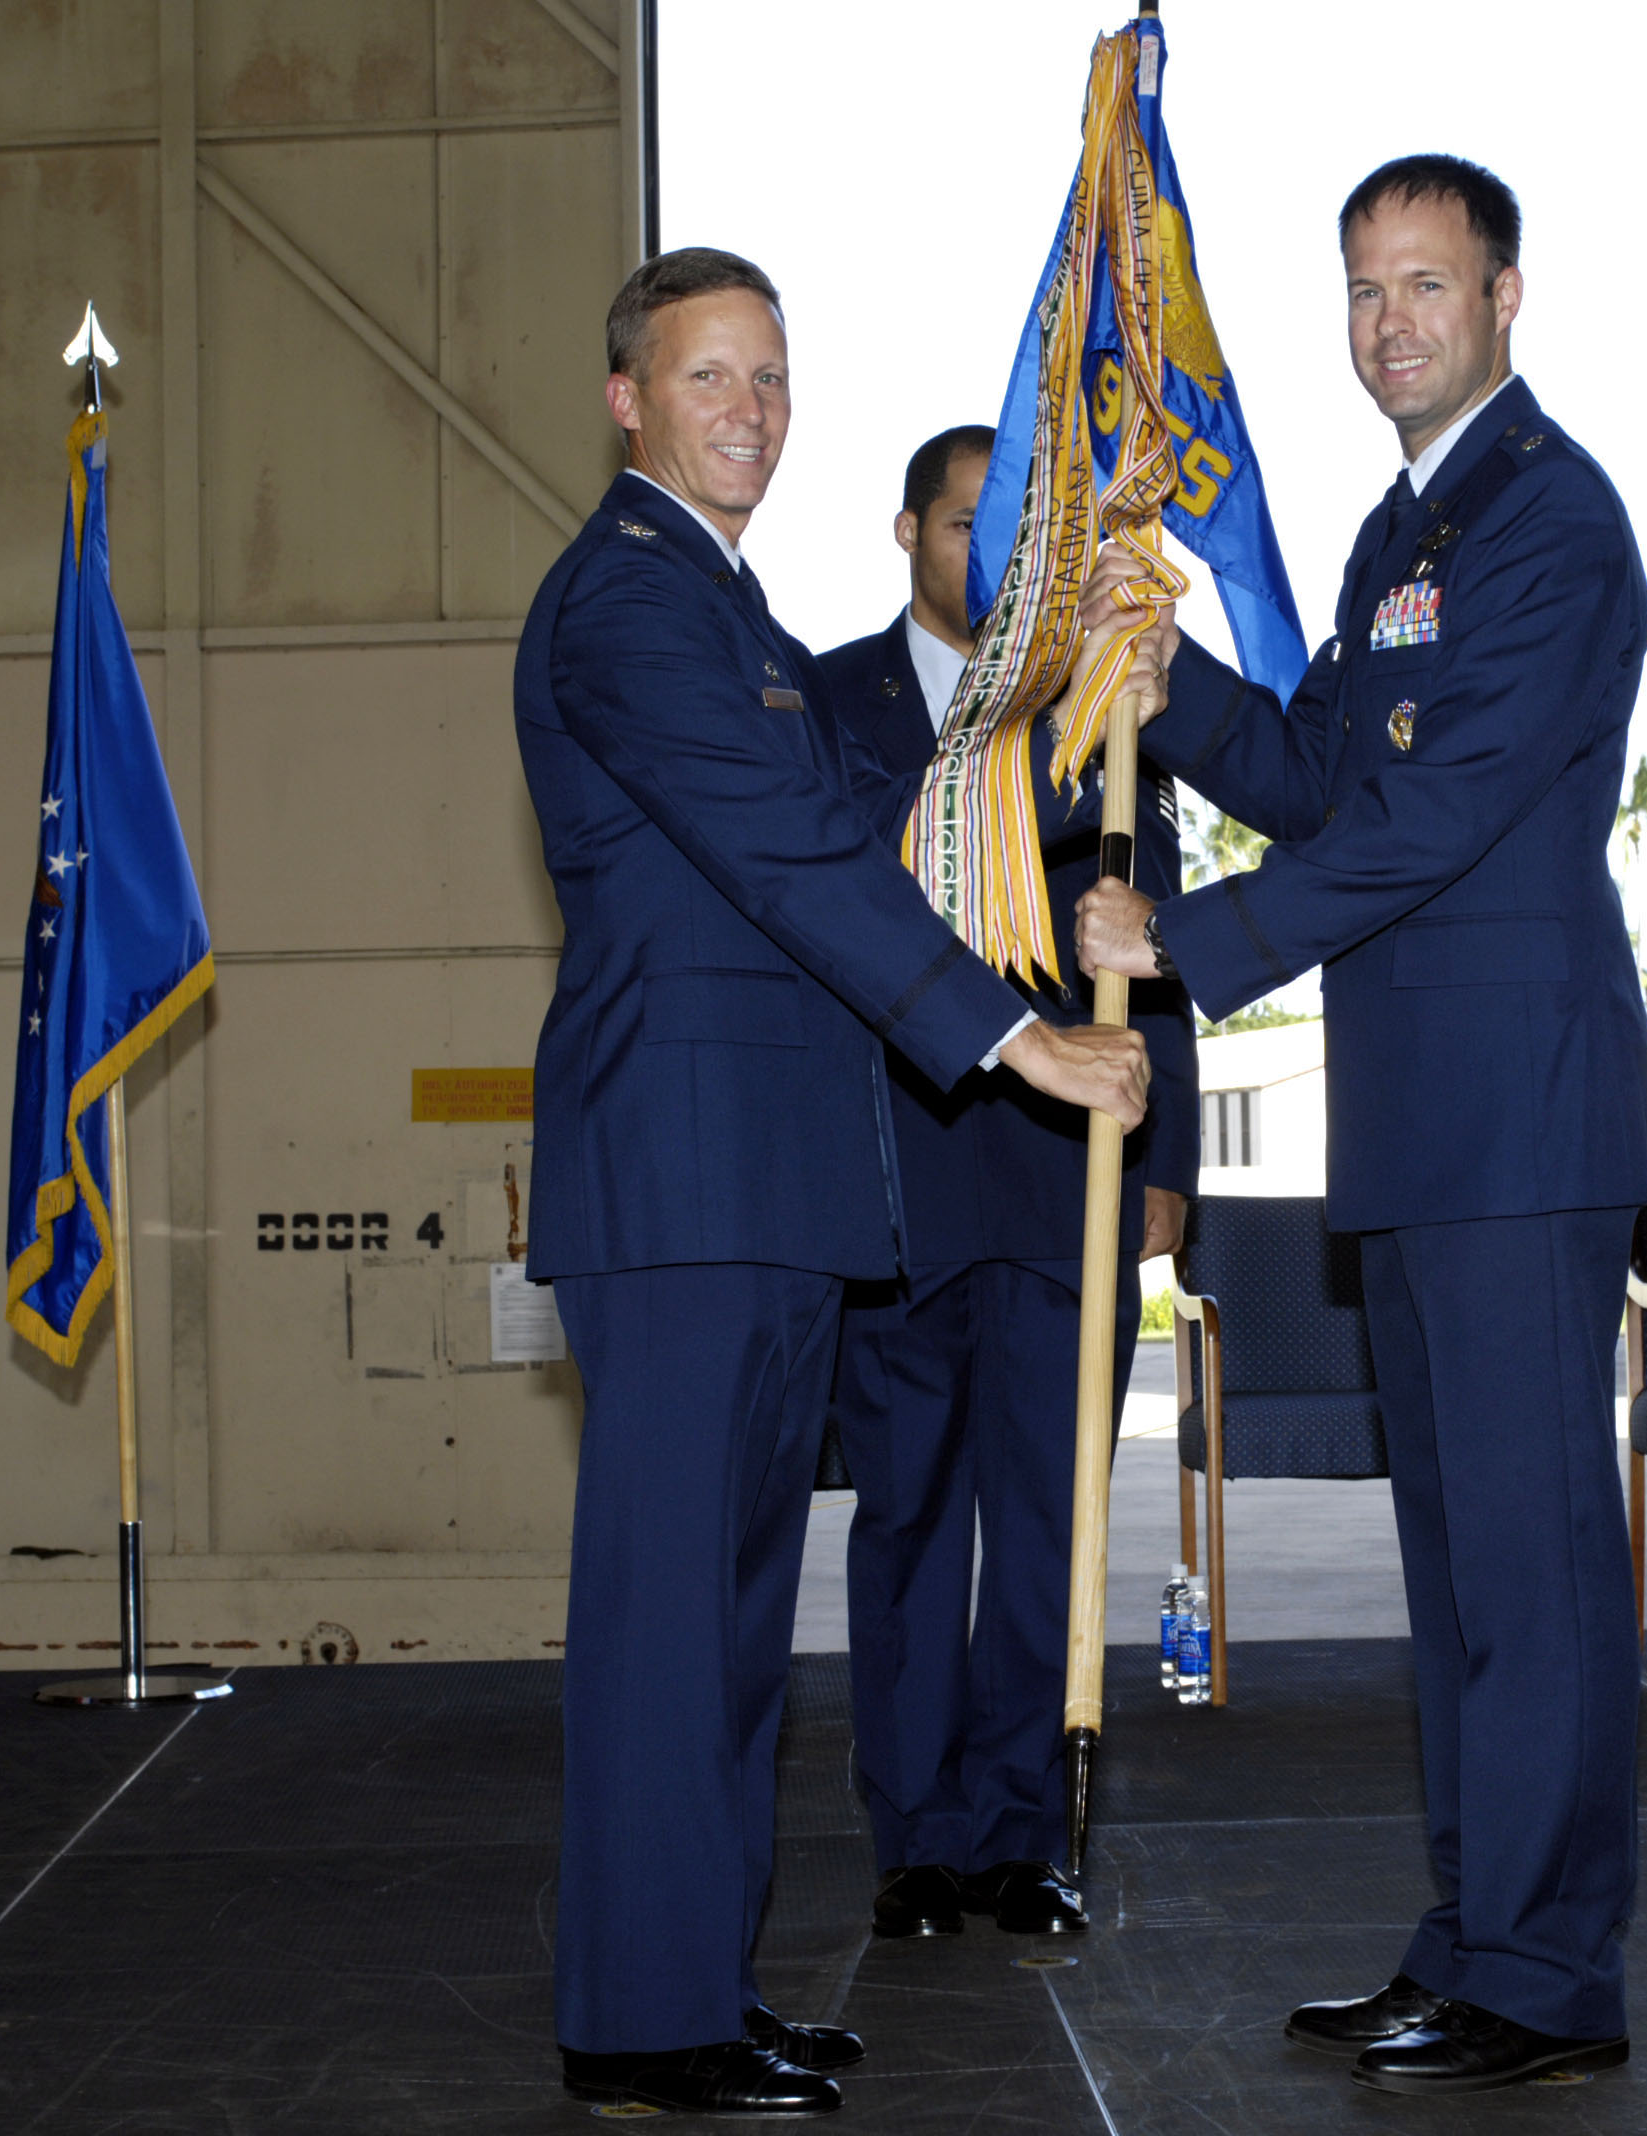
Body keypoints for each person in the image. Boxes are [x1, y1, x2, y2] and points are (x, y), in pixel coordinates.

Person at [515, 247, 1152, 2121]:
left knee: (724, 1636)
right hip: (686, 1190)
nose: (750, 410)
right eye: (710, 377)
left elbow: (881, 845)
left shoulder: (735, 614)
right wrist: (1013, 1038)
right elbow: (800, 855)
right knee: (666, 1630)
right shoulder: (630, 605)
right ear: (630, 397)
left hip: (770, 1194)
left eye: (773, 378)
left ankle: (694, 1988)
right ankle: (639, 2018)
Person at [1073, 155, 1647, 2097]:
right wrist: (1168, 689)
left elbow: (1445, 813)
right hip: (1420, 1129)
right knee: (1460, 1577)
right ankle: (1473, 1929)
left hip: (1519, 1127)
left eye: (1426, 283)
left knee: (1535, 1573)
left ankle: (1548, 1971)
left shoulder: (1554, 525)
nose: (1389, 321)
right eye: (1362, 290)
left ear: (1506, 297)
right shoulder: (1402, 531)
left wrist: (1190, 942)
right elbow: (1329, 768)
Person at [816, 425, 1200, 1943]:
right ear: (907, 529)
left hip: (1066, 1179)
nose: (985, 557)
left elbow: (1143, 933)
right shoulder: (824, 702)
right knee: (907, 1514)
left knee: (1048, 1512)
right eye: (962, 524)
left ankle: (1023, 1829)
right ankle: (916, 1836)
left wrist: (1165, 1165)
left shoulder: (1094, 710)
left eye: (1012, 533)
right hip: (896, 1176)